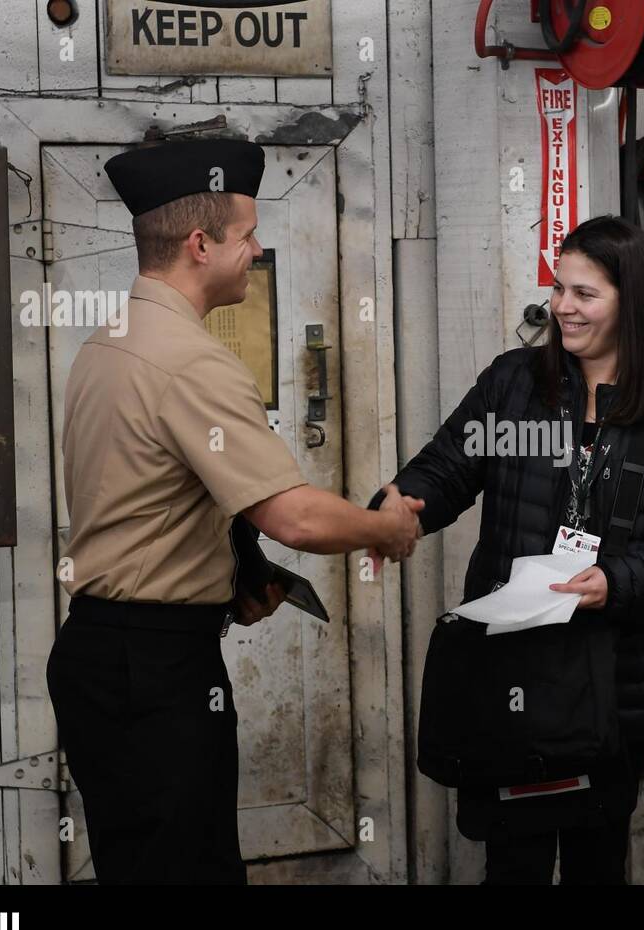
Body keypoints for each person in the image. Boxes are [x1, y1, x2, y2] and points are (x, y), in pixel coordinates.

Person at [46, 139, 423, 884]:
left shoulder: (106, 343)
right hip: (155, 670)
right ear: (199, 244)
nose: (256, 250)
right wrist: (389, 528)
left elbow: (153, 497)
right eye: (246, 234)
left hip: (101, 656)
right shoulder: (191, 360)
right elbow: (297, 518)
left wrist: (231, 573)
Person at [371, 216, 644, 884]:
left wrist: (618, 581)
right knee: (512, 860)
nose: (562, 307)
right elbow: (450, 466)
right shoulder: (516, 384)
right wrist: (400, 506)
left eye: (584, 294)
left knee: (598, 860)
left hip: (614, 683)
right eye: (558, 288)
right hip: (514, 669)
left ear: (633, 305)